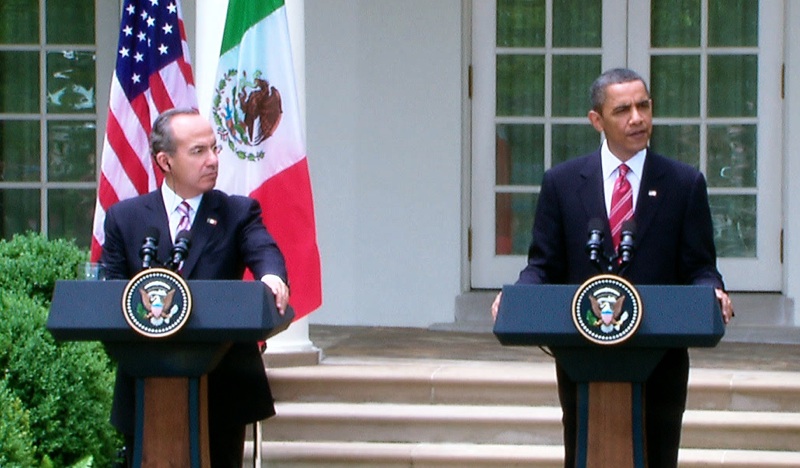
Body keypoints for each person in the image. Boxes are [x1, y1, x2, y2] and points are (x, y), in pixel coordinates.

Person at [491, 68, 734, 468]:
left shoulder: (682, 182)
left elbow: (700, 266)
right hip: (584, 354)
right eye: (623, 110)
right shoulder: (563, 182)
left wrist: (714, 291)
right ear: (597, 120)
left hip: (660, 358)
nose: (637, 118)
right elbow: (543, 264)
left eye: (644, 106)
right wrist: (517, 296)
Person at [101, 108, 290, 467]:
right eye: (198, 151)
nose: (213, 160)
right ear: (165, 161)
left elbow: (264, 251)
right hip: (145, 383)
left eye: (215, 149)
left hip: (220, 385)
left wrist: (271, 276)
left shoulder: (237, 212)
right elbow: (111, 290)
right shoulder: (125, 218)